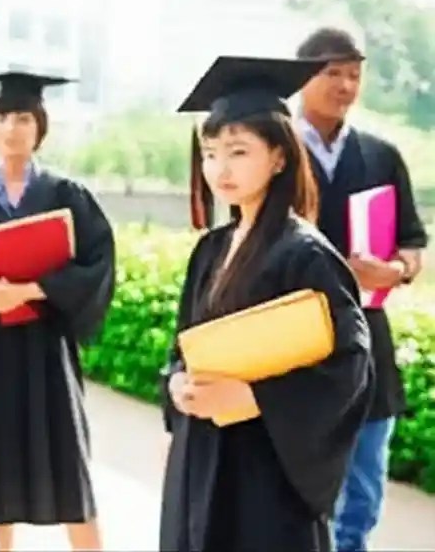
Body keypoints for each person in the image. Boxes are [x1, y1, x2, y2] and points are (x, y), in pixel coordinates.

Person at [159, 56, 374, 551]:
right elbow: (183, 344)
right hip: (203, 456)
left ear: (279, 156)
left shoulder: (307, 255)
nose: (220, 169)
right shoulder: (212, 248)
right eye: (210, 153)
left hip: (266, 473)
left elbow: (350, 366)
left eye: (238, 152)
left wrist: (254, 398)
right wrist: (177, 383)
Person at [0, 72, 115, 551]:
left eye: (23, 118)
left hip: (44, 353)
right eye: (2, 118)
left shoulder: (66, 196)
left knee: (69, 471)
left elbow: (97, 265)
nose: (12, 128)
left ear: (40, 128)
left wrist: (33, 289)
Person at [292, 27, 428, 551]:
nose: (346, 85)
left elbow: (412, 241)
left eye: (354, 74)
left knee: (364, 492)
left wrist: (394, 270)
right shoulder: (273, 151)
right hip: (297, 340)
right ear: (304, 76)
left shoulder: (380, 155)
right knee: (297, 492)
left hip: (368, 339)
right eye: (333, 72)